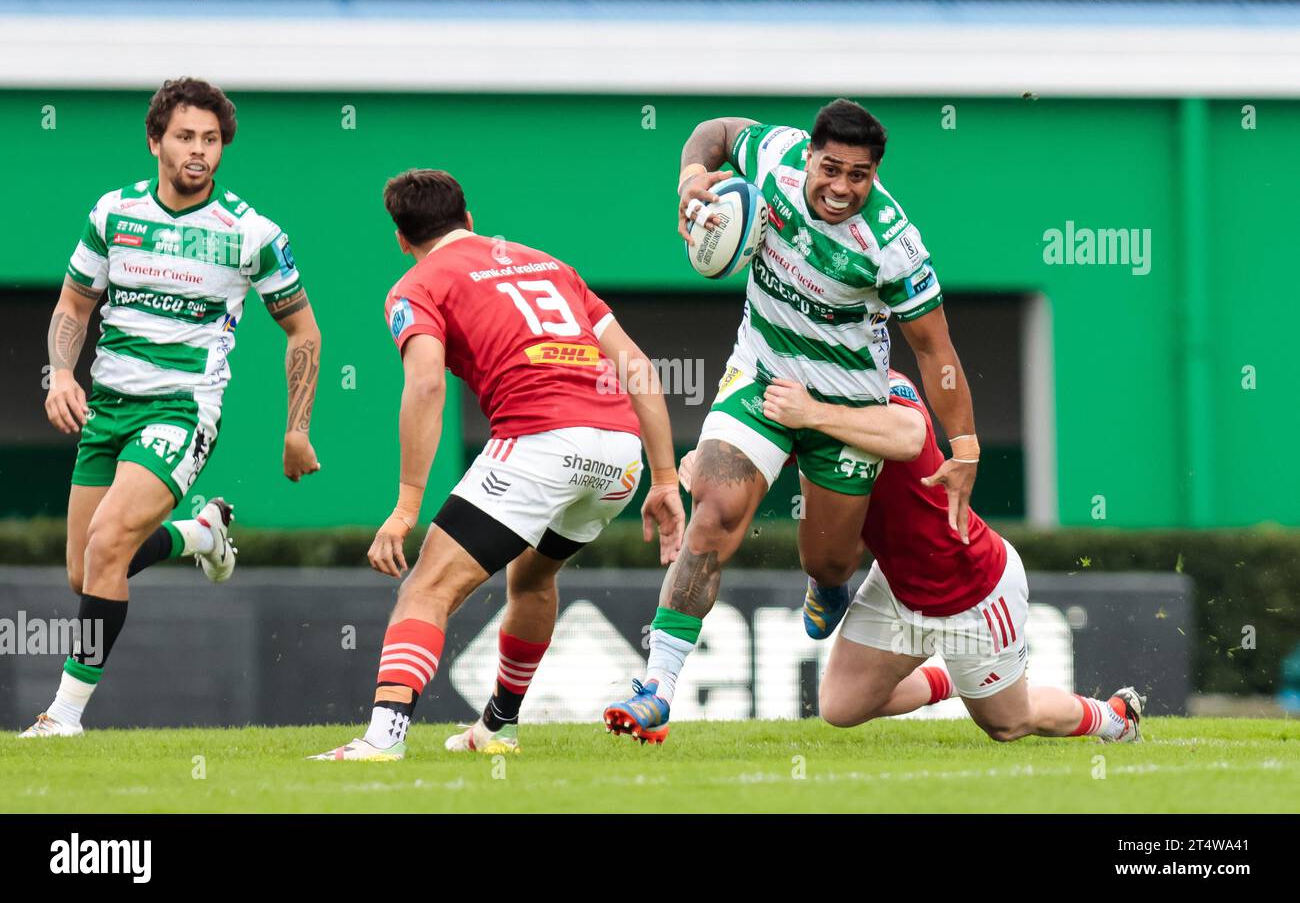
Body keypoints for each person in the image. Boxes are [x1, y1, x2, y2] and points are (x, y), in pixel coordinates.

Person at [606, 98, 979, 743]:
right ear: (808, 153)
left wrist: (966, 445)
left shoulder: (891, 246)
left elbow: (934, 351)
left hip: (845, 407)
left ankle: (829, 585)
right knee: (715, 513)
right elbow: (715, 132)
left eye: (857, 176)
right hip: (759, 377)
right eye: (830, 168)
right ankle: (657, 687)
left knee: (829, 560)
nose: (840, 188)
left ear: (875, 174)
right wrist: (692, 180)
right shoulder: (773, 155)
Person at [310, 169, 683, 761]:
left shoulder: (416, 284)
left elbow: (427, 386)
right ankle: (497, 728)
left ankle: (383, 739)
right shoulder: (550, 264)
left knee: (425, 590)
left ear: (401, 240)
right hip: (619, 454)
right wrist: (664, 479)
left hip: (540, 443)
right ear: (470, 220)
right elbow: (637, 366)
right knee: (533, 577)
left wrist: (406, 508)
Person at [20, 77, 322, 738]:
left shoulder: (252, 232)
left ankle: (63, 716)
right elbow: (74, 307)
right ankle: (200, 535)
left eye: (211, 141)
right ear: (155, 140)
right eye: (185, 137)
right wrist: (60, 376)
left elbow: (304, 331)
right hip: (106, 410)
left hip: (182, 412)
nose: (199, 151)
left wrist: (296, 428)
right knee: (88, 568)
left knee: (106, 545)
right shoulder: (112, 215)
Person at [672, 371, 1145, 745]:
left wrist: (811, 412)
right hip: (898, 589)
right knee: (839, 707)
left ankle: (1113, 718)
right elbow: (754, 452)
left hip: (973, 591)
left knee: (1008, 724)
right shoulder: (810, 392)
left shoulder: (883, 388)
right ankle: (953, 677)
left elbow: (910, 433)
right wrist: (704, 459)